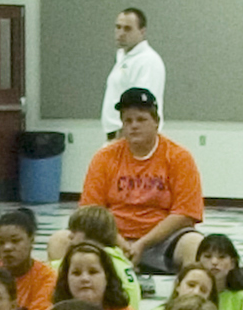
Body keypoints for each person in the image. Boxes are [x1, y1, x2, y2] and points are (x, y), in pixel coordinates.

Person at [79, 90, 206, 277]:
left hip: (163, 241)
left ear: (156, 122)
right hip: (112, 238)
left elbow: (185, 214)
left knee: (196, 245)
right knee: (60, 241)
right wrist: (120, 242)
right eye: (128, 121)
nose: (134, 126)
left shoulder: (179, 157)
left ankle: (186, 293)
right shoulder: (104, 157)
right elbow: (90, 211)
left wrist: (142, 243)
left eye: (141, 120)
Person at [98, 4, 166, 132]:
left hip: (131, 133)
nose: (121, 33)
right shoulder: (123, 57)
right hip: (116, 133)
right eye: (118, 27)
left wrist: (128, 135)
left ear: (142, 31)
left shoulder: (147, 61)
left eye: (127, 29)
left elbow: (142, 106)